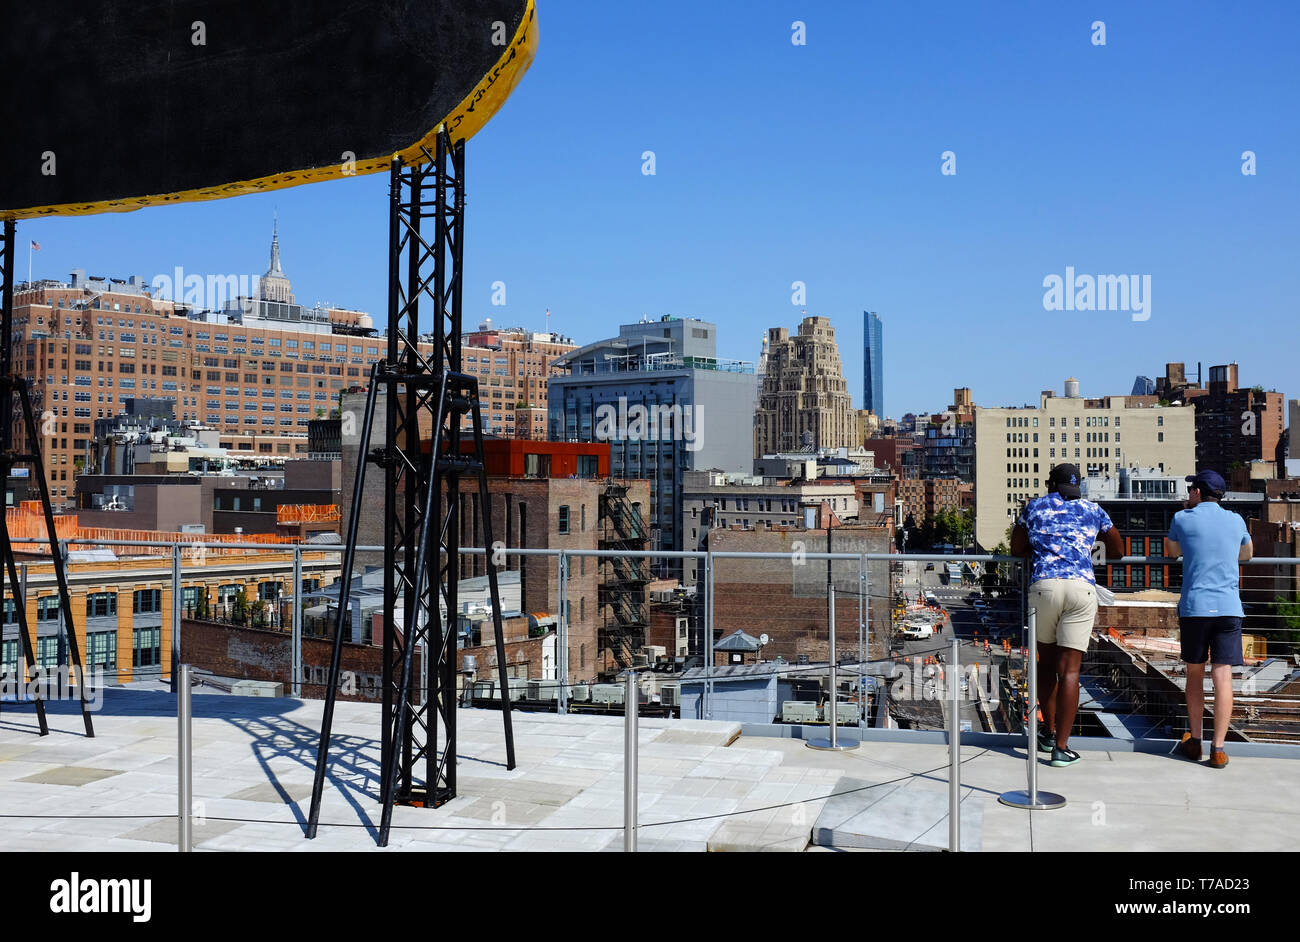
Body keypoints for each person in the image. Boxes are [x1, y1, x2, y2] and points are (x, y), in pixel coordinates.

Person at [1011, 463, 1124, 768]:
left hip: (1044, 587)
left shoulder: (1034, 507)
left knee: (1045, 664)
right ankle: (1062, 748)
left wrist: (1039, 547)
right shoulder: (1093, 509)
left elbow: (1016, 547)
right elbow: (1118, 551)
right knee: (1071, 671)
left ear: (1051, 484)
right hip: (1081, 589)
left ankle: (1047, 733)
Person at [1166, 469, 1252, 769]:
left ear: (1198, 493)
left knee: (1194, 674)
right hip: (1229, 607)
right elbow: (1247, 553)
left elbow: (1172, 550)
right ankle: (1218, 748)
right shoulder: (1236, 520)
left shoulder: (1182, 518)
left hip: (1195, 608)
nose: (1189, 494)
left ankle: (1196, 742)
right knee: (1223, 677)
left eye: (1191, 490)